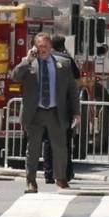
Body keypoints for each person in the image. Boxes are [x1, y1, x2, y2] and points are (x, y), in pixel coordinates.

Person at [11, 32, 80, 193]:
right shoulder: (28, 63)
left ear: (50, 47)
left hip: (56, 112)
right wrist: (27, 60)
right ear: (35, 47)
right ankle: (31, 182)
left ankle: (61, 178)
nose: (43, 49)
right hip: (35, 112)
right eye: (40, 46)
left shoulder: (63, 64)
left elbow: (72, 90)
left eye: (46, 46)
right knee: (33, 149)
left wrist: (76, 112)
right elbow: (14, 77)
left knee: (60, 147)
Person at [43, 35, 80, 185]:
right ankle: (65, 173)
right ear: (63, 45)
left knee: (47, 141)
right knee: (64, 142)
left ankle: (48, 174)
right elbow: (75, 83)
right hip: (64, 108)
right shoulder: (67, 60)